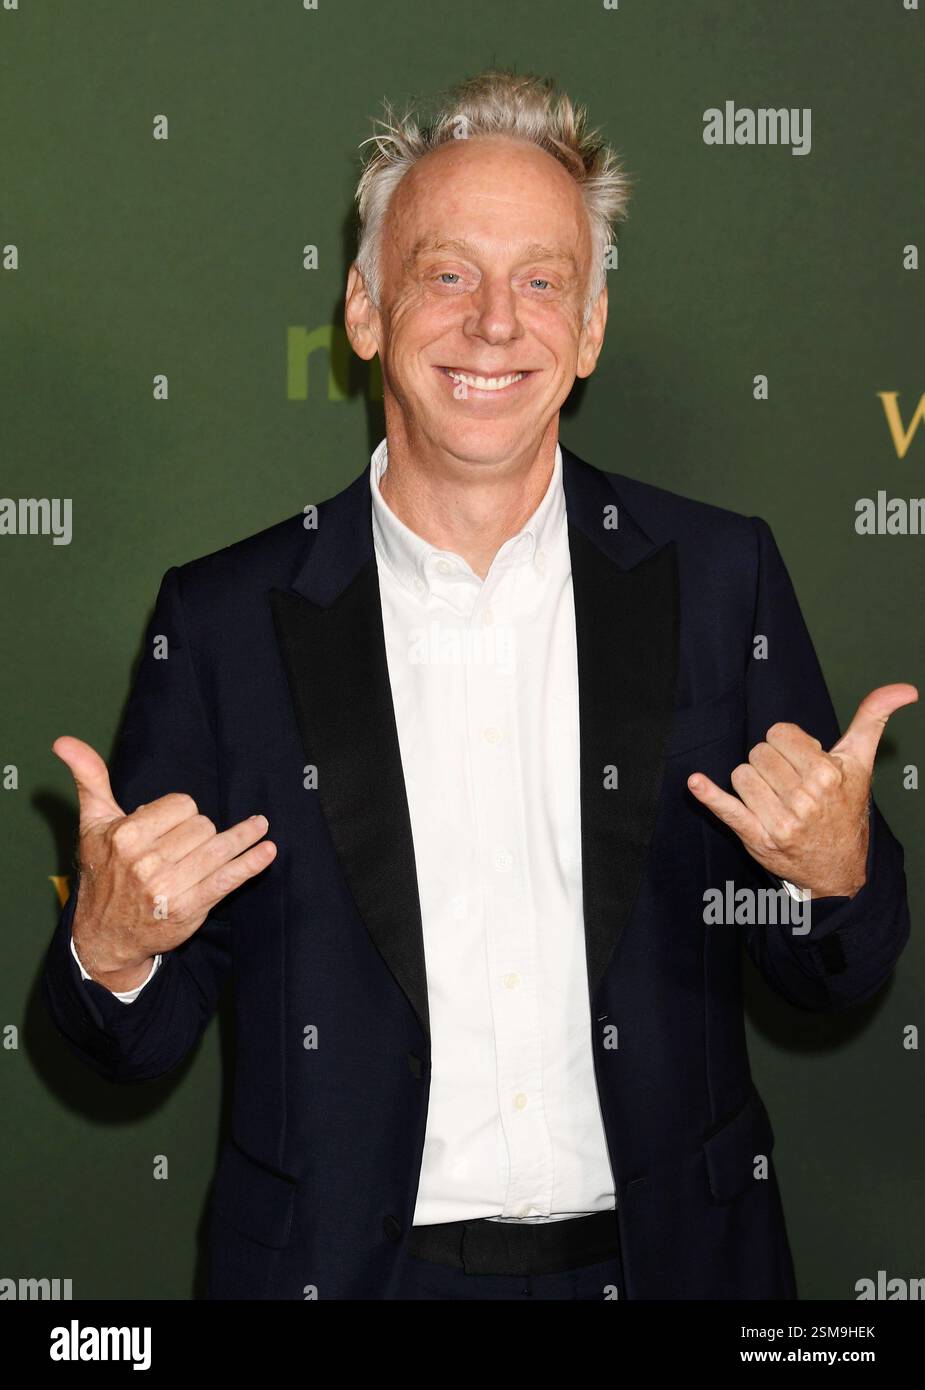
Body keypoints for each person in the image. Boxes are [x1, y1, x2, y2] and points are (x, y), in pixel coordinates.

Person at [43, 69, 915, 1301]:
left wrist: (834, 878)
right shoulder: (225, 619)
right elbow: (124, 1041)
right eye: (448, 273)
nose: (496, 323)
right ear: (362, 308)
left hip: (674, 1270)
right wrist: (113, 945)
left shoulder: (722, 576)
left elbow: (825, 972)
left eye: (542, 280)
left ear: (592, 327)